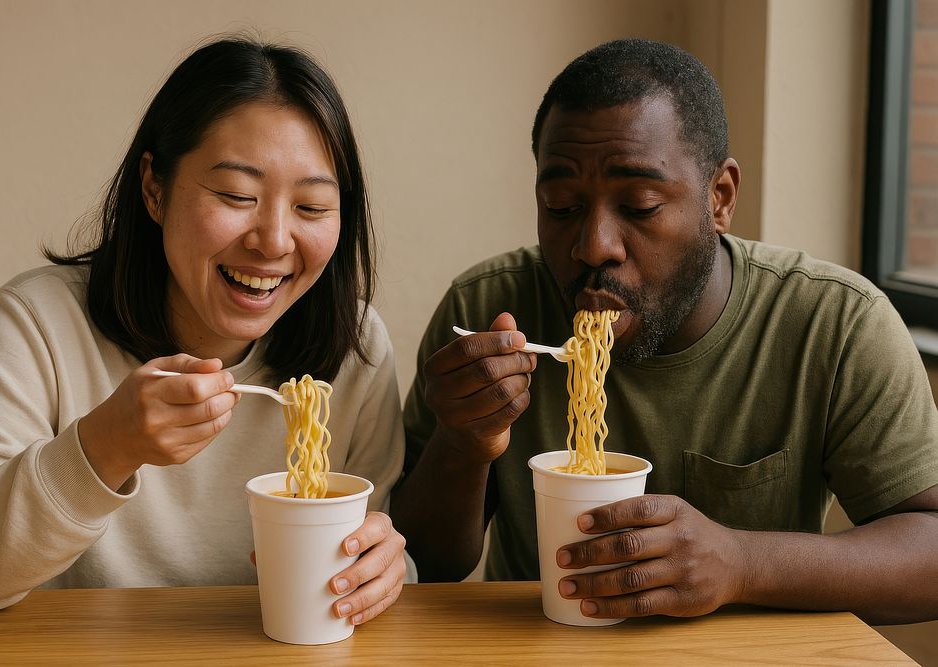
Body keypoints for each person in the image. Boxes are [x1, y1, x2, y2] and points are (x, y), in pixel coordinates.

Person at [393, 38, 938, 625]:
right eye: (560, 206)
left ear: (720, 198)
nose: (593, 246)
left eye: (641, 204)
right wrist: (463, 444)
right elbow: (423, 562)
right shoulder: (488, 307)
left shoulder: (832, 324)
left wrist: (743, 563)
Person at [0, 37, 410, 622]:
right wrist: (104, 447)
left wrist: (387, 570)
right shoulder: (39, 323)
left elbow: (370, 558)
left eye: (311, 208)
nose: (274, 240)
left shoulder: (355, 347)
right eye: (237, 195)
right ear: (155, 189)